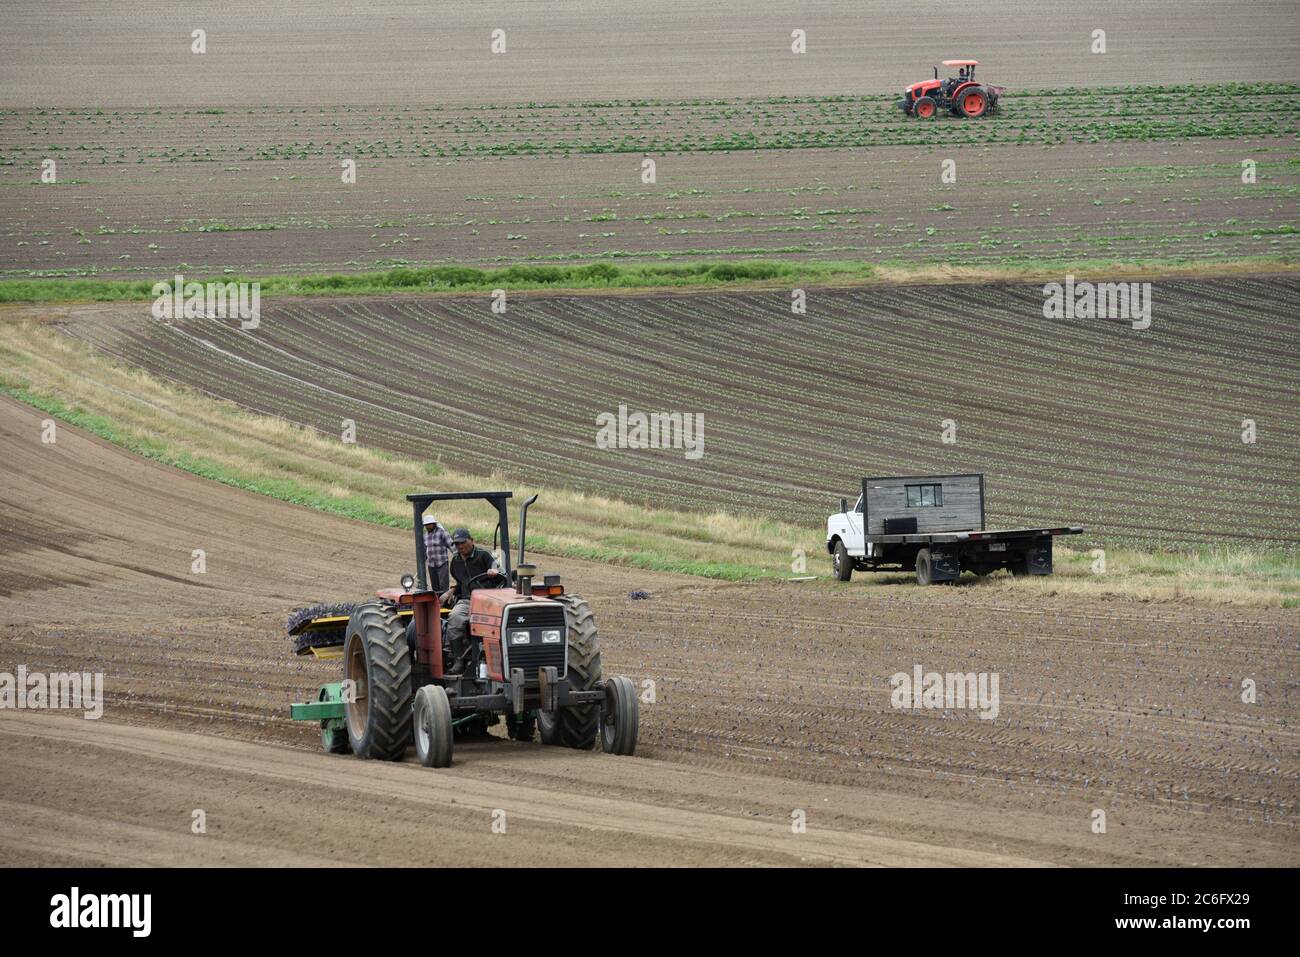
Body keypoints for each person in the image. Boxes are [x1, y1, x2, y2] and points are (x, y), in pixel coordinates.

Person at [441, 528, 502, 668]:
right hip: (468, 600)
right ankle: (458, 659)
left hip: (489, 599)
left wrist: (494, 571)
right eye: (457, 544)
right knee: (455, 618)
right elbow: (460, 581)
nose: (460, 546)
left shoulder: (483, 555)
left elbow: (496, 568)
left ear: (471, 540)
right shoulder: (455, 562)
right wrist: (452, 590)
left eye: (463, 542)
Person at [420, 513, 453, 593]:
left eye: (429, 524)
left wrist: (458, 556)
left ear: (434, 524)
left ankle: (445, 604)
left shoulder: (442, 533)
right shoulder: (425, 536)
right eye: (426, 525)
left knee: (443, 586)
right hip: (431, 565)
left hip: (442, 563)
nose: (427, 526)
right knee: (435, 587)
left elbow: (451, 545)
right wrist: (422, 560)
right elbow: (424, 550)